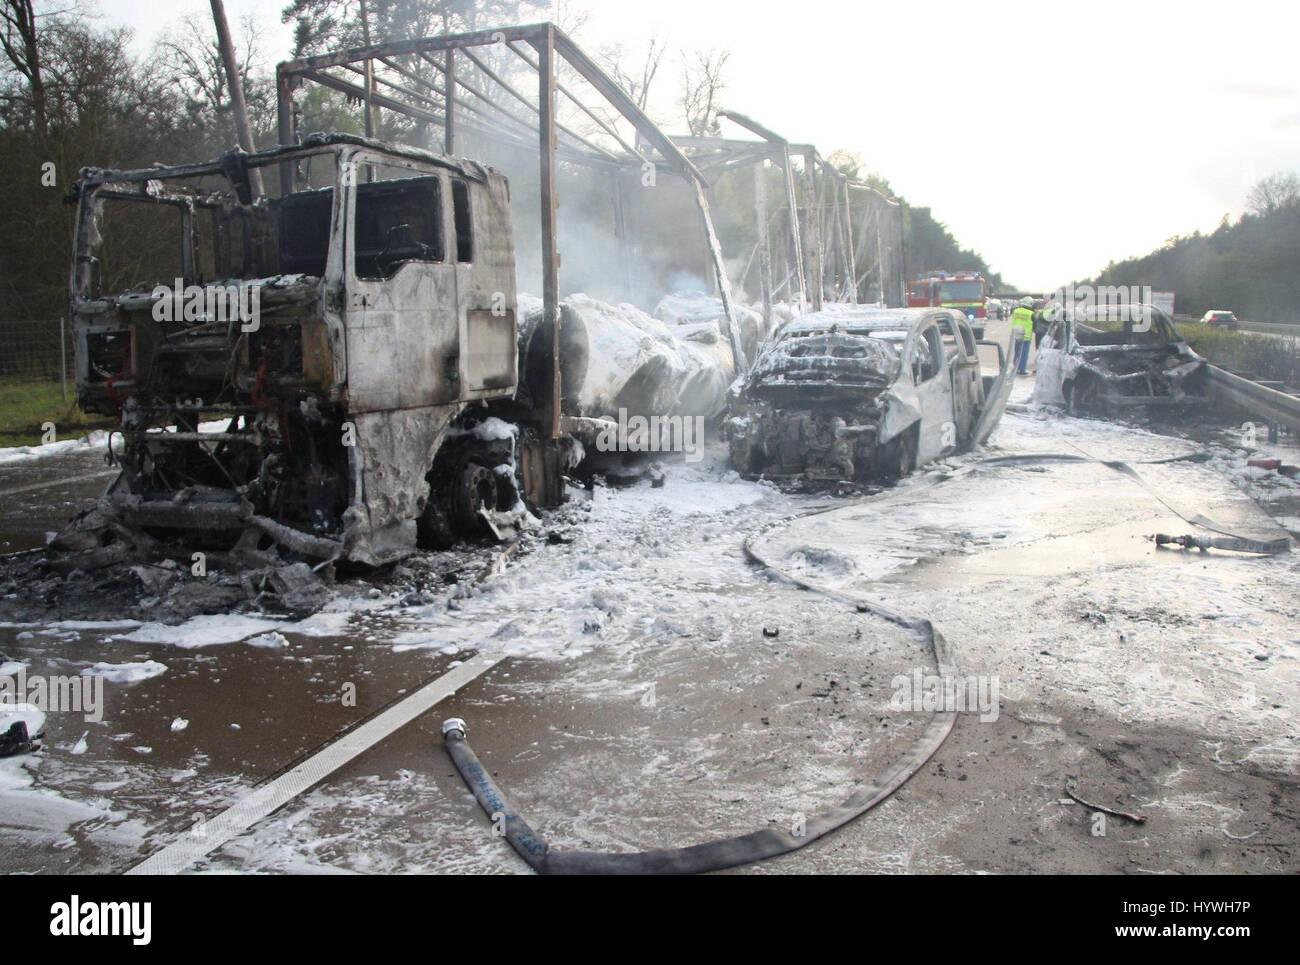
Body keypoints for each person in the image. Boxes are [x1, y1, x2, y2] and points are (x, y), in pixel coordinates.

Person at [1010, 296, 1035, 374]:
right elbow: (1034, 325)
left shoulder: (1016, 311)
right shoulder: (1032, 314)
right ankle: (1022, 370)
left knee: (1017, 352)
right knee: (1024, 354)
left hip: (1017, 334)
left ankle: (1015, 368)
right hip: (1026, 336)